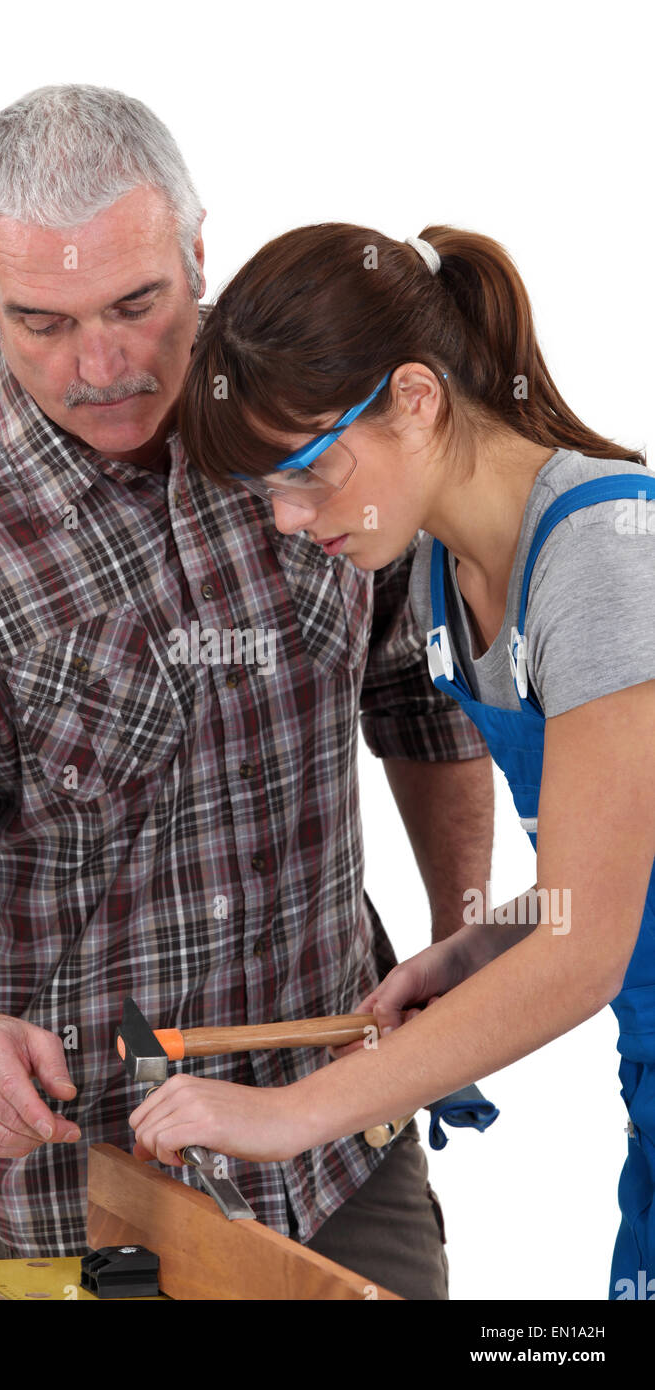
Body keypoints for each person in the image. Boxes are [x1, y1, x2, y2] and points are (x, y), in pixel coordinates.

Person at [0, 90, 494, 1302]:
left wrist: (464, 934)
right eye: (42, 323)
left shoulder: (317, 413)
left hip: (341, 1129)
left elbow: (415, 687)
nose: (104, 364)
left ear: (197, 250)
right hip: (97, 1192)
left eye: (137, 304)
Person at [130, 222, 655, 1299]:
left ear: (414, 398)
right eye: (262, 489)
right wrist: (468, 952)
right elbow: (608, 875)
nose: (283, 518)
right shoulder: (436, 577)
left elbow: (585, 950)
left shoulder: (603, 561)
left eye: (306, 470)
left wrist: (296, 1112)